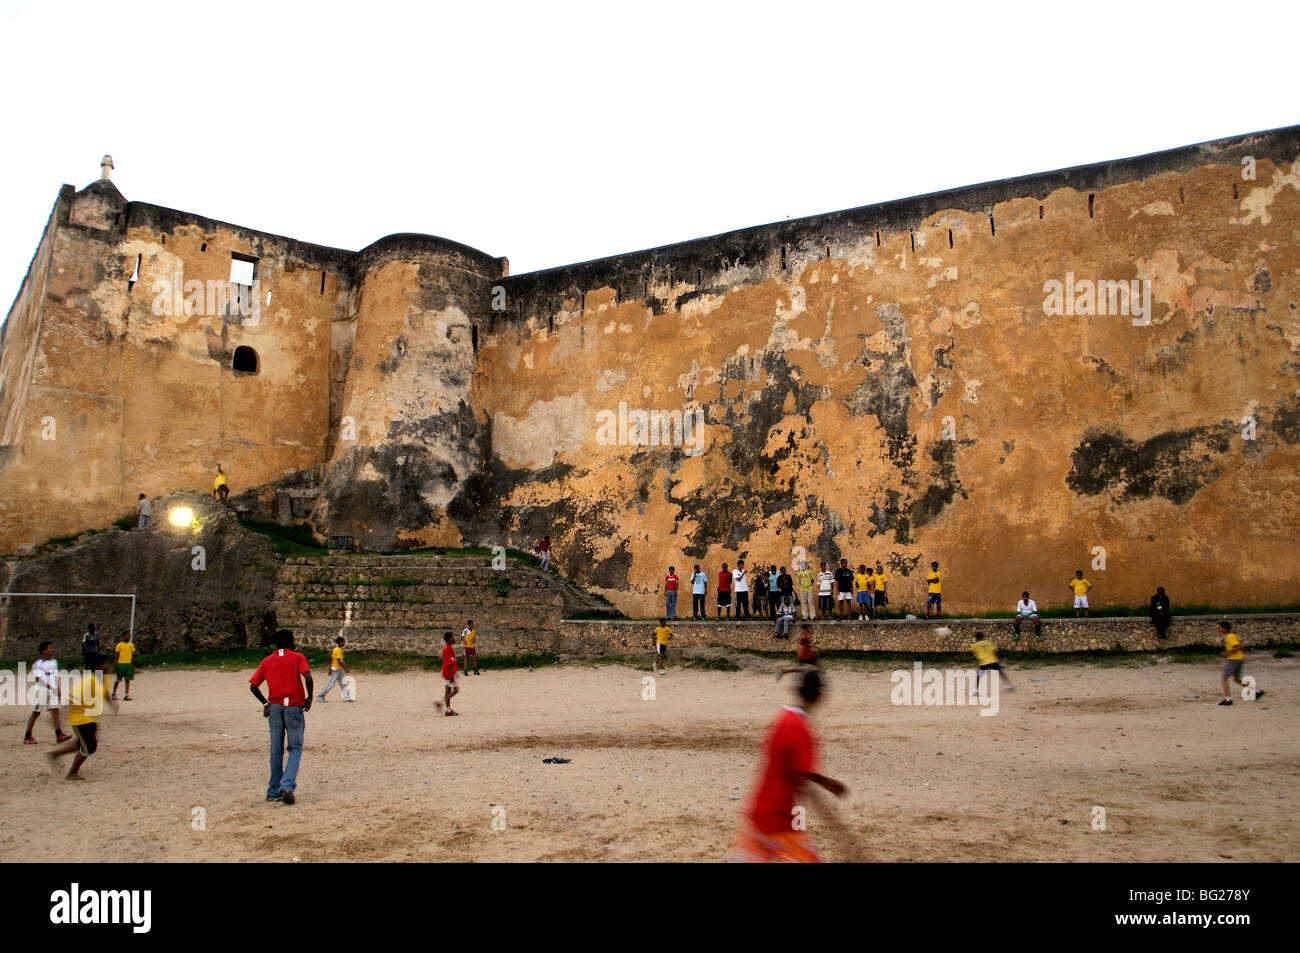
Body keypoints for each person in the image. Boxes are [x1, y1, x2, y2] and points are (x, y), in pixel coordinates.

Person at [726, 668, 856, 863]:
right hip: (779, 820)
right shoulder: (801, 728)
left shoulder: (783, 718)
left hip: (760, 812)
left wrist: (825, 782)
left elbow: (800, 772)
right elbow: (803, 778)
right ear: (819, 696)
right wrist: (835, 825)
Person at [248, 630, 313, 804]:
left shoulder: (267, 661)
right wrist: (309, 697)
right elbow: (307, 676)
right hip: (293, 707)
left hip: (275, 708)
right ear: (291, 642)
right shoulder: (298, 657)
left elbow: (253, 686)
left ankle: (273, 790)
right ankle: (287, 785)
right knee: (295, 747)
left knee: (276, 749)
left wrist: (265, 703)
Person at [47, 653, 117, 780]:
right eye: (104, 663)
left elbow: (105, 691)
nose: (107, 666)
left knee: (82, 743)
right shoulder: (88, 681)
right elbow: (71, 699)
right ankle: (72, 773)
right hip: (80, 718)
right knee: (90, 747)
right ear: (97, 667)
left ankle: (55, 754)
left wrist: (111, 703)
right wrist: (61, 717)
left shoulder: (103, 678)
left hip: (90, 717)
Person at [24, 641, 72, 746]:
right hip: (41, 690)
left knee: (55, 711)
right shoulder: (37, 664)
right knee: (36, 712)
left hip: (53, 690)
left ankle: (59, 735)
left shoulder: (54, 662)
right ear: (44, 651)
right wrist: (50, 687)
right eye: (50, 648)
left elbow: (55, 676)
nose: (52, 650)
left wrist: (58, 688)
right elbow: (38, 678)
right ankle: (27, 736)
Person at [1218, 621, 1264, 706]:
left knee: (1224, 678)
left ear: (1224, 628)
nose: (1219, 629)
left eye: (1220, 628)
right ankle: (1256, 691)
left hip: (1234, 660)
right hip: (1239, 659)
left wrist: (1227, 652)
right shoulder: (1232, 636)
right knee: (1236, 679)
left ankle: (1228, 699)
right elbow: (1241, 647)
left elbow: (1238, 647)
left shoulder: (1230, 636)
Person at [957, 631, 1015, 695]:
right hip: (993, 661)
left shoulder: (976, 645)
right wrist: (1000, 660)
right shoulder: (988, 643)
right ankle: (1009, 686)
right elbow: (996, 651)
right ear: (983, 637)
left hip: (984, 662)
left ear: (976, 638)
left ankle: (976, 691)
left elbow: (969, 652)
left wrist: (959, 656)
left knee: (979, 676)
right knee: (1001, 672)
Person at [437, 631, 461, 716]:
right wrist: (451, 676)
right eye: (453, 637)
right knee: (456, 690)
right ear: (449, 639)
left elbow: (451, 662)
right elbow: (448, 664)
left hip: (448, 673)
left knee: (448, 690)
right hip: (449, 674)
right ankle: (440, 702)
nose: (454, 638)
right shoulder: (448, 649)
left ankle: (448, 710)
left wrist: (455, 672)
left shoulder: (448, 648)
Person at [110, 630, 134, 701]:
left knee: (127, 679)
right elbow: (116, 656)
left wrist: (132, 666)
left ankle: (126, 694)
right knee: (118, 679)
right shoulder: (119, 645)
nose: (128, 637)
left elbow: (132, 656)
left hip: (128, 664)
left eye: (129, 635)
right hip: (120, 664)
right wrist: (115, 666)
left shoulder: (131, 645)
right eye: (127, 635)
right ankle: (114, 693)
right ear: (123, 637)